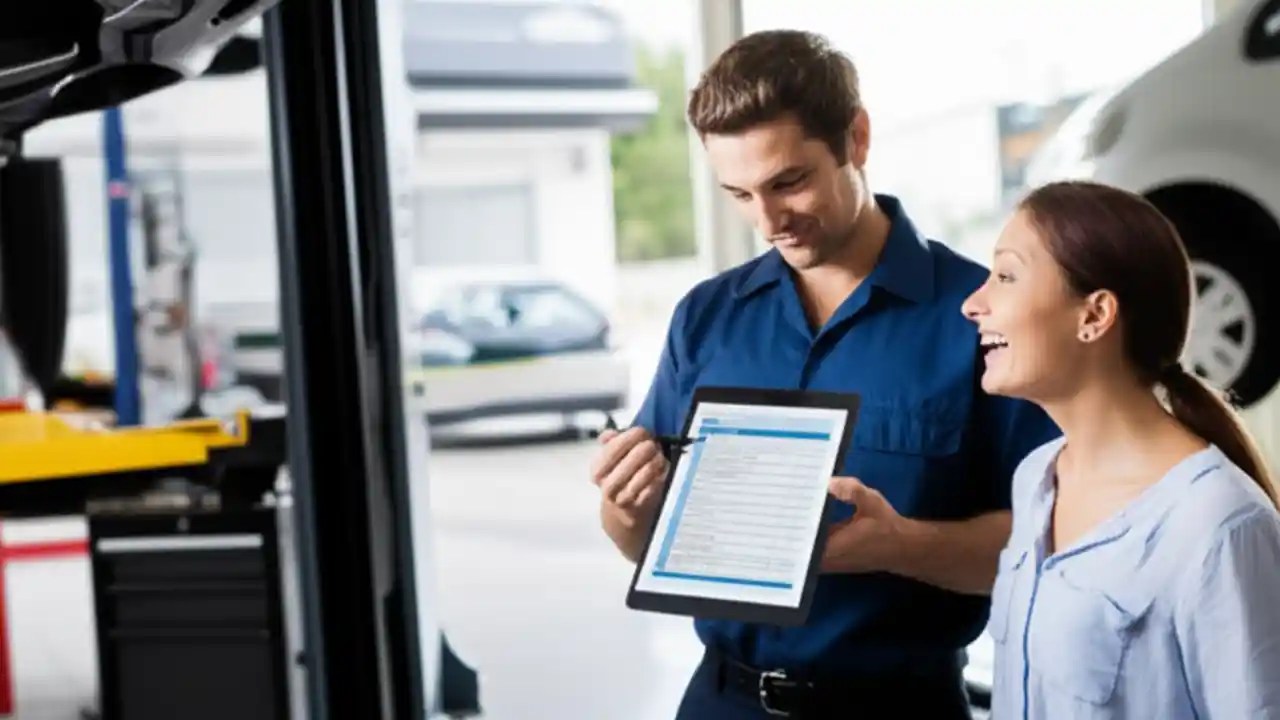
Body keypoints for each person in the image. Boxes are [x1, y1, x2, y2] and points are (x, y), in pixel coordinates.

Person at [589, 29, 1060, 718]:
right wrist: (624, 509)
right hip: (721, 700)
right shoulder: (705, 317)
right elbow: (646, 541)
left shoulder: (979, 317)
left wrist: (902, 547)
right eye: (740, 194)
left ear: (856, 138)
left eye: (789, 182)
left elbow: (1051, 547)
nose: (769, 220)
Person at [961, 180, 1280, 719]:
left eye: (1006, 276)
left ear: (1094, 315)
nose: (974, 303)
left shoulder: (1219, 524)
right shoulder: (1036, 478)